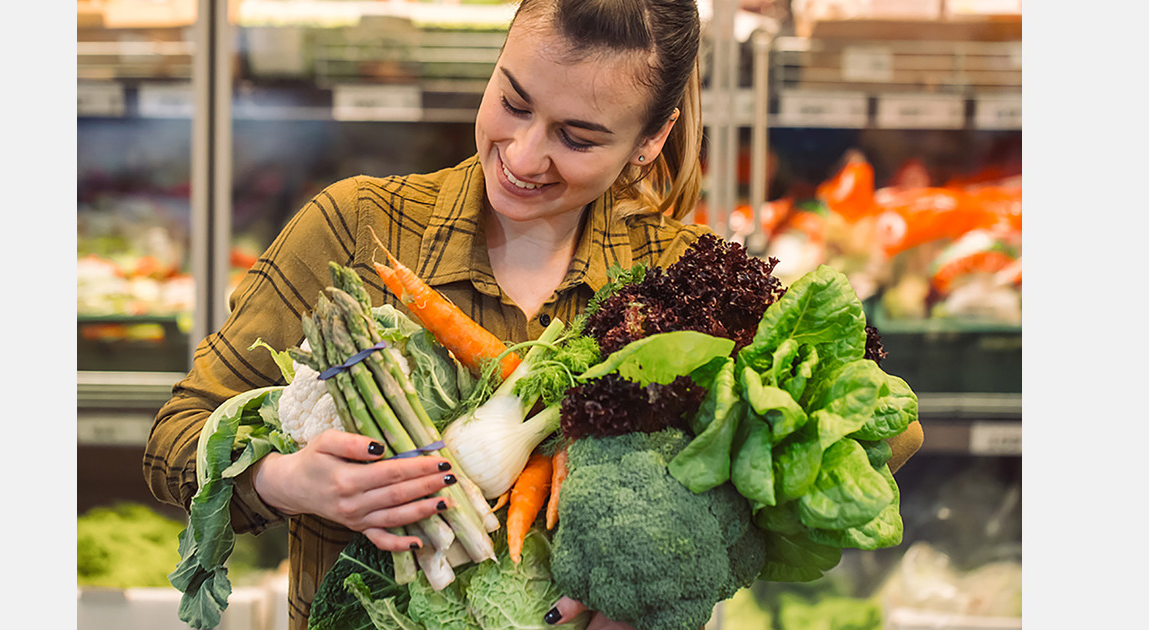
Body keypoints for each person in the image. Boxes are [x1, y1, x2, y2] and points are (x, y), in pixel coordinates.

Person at [144, 0, 924, 628]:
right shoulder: (355, 228)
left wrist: (675, 553)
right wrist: (290, 482)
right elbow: (174, 442)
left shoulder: (681, 276)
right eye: (512, 102)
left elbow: (891, 435)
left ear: (651, 139)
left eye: (576, 137)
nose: (521, 156)